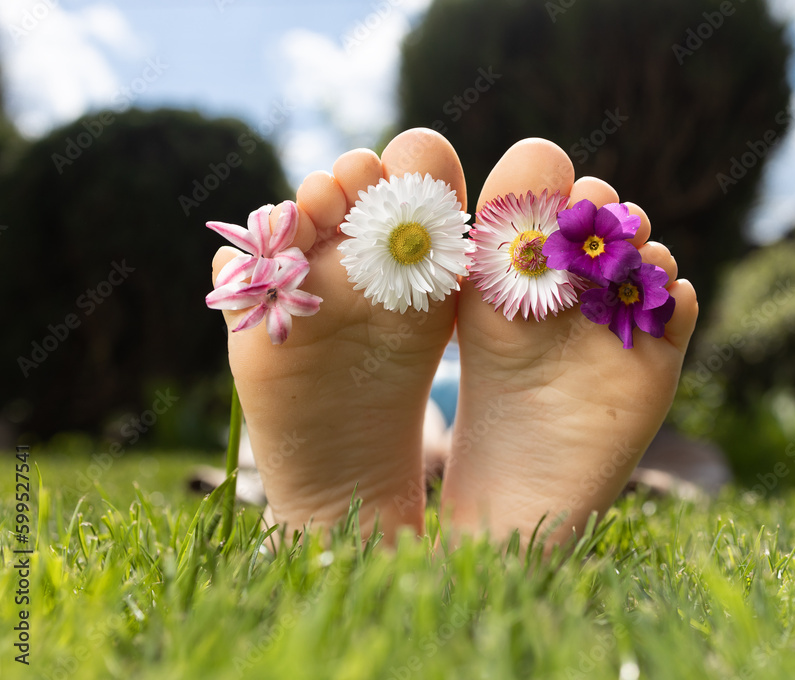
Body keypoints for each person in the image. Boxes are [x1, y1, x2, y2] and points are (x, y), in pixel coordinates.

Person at [208, 128, 698, 548]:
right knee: (426, 424)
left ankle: (336, 517)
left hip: (443, 378)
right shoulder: (458, 336)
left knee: (425, 421)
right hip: (452, 381)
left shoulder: (458, 336)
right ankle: (499, 537)